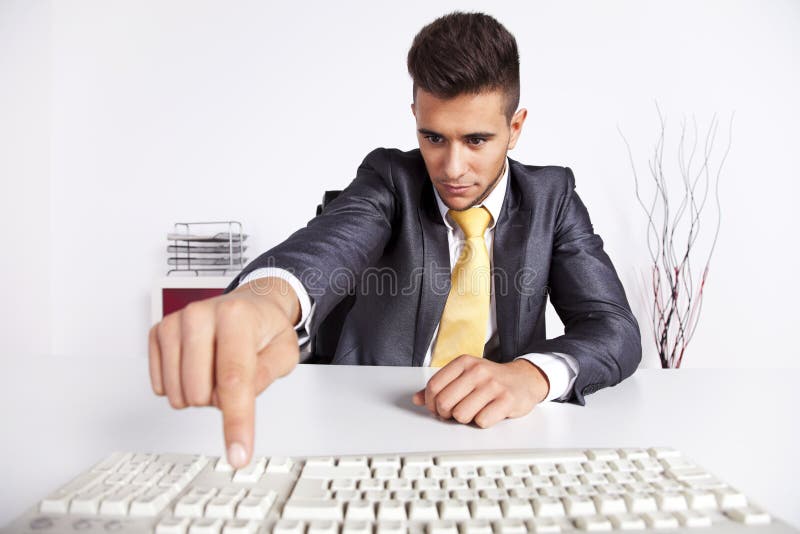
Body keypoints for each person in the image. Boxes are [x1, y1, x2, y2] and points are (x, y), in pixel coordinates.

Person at [148, 12, 641, 468]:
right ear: (415, 118)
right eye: (433, 138)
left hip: (501, 439)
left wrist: (532, 375)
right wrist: (264, 302)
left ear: (514, 128)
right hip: (367, 431)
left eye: (476, 140)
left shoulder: (552, 197)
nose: (451, 169)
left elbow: (612, 326)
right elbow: (329, 243)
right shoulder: (390, 178)